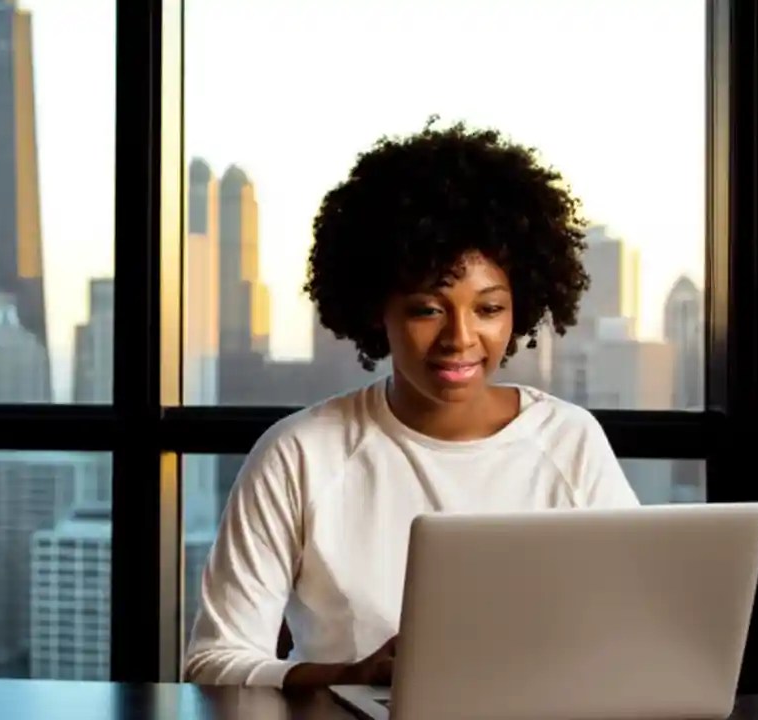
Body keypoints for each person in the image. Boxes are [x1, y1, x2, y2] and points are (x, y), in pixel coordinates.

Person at [183, 119, 640, 689]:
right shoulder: (300, 453)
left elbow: (634, 635)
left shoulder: (570, 442)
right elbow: (213, 662)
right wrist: (352, 676)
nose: (460, 338)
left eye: (489, 308)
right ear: (379, 309)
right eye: (428, 309)